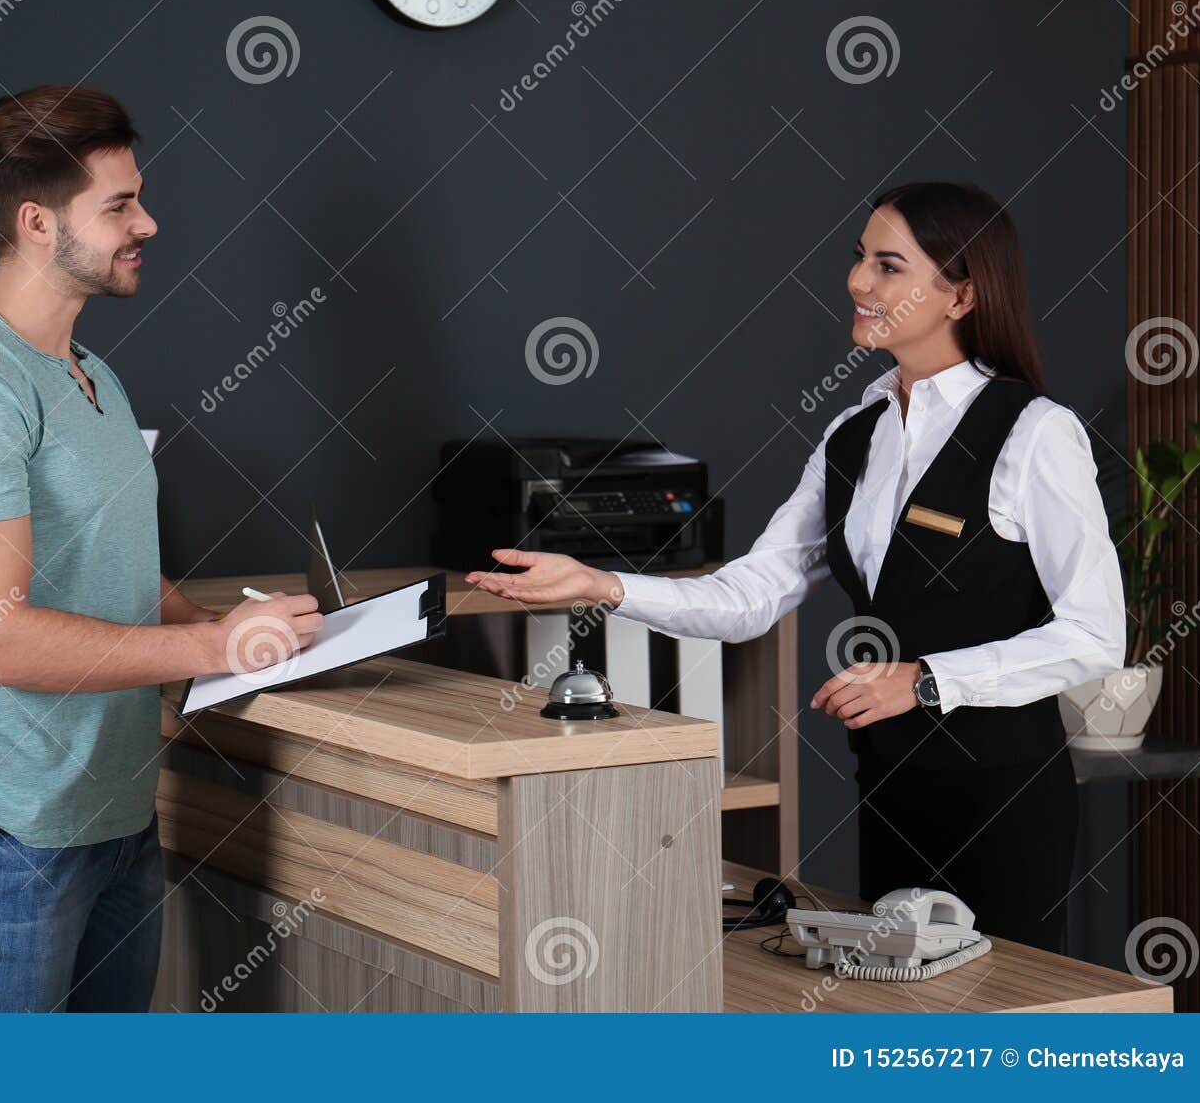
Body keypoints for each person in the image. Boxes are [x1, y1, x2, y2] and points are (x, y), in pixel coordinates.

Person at [465, 182, 1125, 951]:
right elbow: (752, 593)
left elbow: (1095, 634)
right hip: (889, 789)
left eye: (887, 266)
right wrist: (602, 585)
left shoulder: (1035, 432)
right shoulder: (854, 434)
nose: (857, 283)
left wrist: (924, 679)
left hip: (1005, 796)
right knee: (895, 1018)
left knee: (1004, 1034)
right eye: (858, 260)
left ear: (962, 294)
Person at [0, 85, 322, 1011]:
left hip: (119, 820)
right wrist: (209, 649)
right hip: (9, 840)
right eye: (119, 205)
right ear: (39, 222)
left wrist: (214, 627)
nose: (148, 224)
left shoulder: (96, 378)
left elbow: (106, 559)